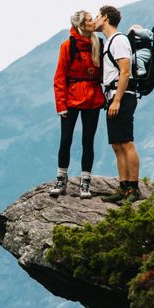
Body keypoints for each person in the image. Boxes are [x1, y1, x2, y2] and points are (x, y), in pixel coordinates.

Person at [50, 10, 105, 198]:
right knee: (66, 139)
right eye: (90, 20)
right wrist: (61, 105)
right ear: (81, 25)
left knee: (87, 141)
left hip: (93, 98)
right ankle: (61, 179)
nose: (93, 23)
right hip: (72, 98)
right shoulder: (68, 46)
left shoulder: (98, 44)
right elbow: (59, 77)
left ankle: (85, 183)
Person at [95, 5, 141, 202]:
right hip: (112, 97)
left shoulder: (119, 40)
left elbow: (125, 71)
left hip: (122, 96)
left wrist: (117, 100)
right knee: (117, 144)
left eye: (97, 16)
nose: (95, 19)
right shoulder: (108, 42)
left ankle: (134, 188)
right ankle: (123, 187)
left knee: (127, 142)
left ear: (105, 18)